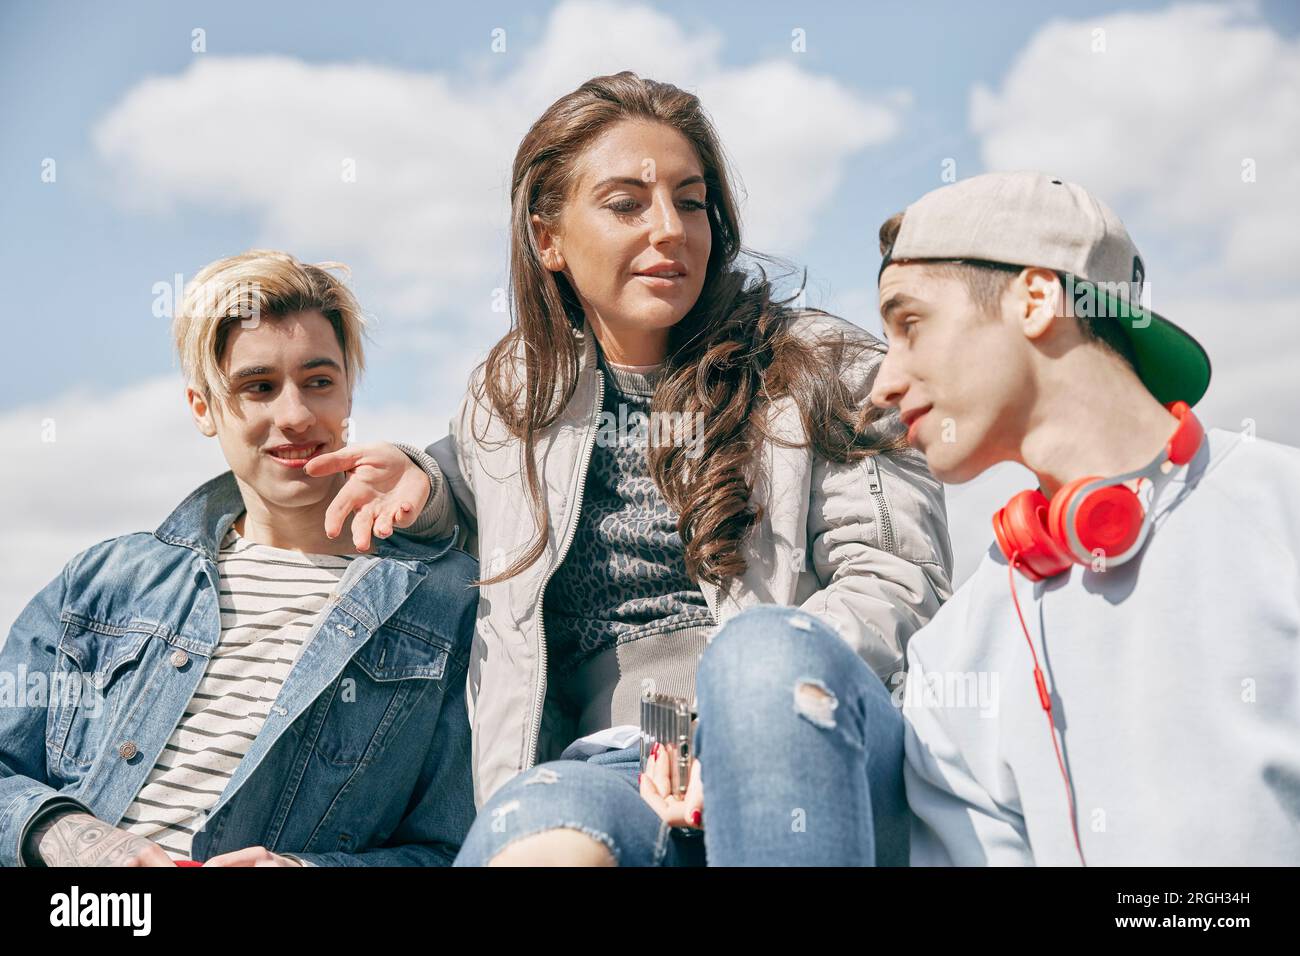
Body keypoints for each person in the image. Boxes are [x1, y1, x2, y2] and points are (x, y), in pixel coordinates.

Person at [310, 72, 954, 866]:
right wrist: (426, 483)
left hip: (801, 739)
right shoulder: (513, 394)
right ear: (547, 238)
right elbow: (472, 482)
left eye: (690, 201)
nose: (670, 229)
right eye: (625, 204)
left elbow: (900, 580)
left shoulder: (829, 366)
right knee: (537, 845)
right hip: (611, 761)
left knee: (764, 661)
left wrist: (731, 722)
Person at [869, 170, 1300, 865]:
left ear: (1037, 298)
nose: (883, 382)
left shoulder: (1285, 513)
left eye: (909, 323)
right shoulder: (950, 655)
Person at [0, 250, 477, 867]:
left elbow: (458, 849)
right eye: (258, 387)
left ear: (348, 391)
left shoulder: (448, 599)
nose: (296, 416)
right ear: (203, 408)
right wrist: (72, 840)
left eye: (319, 381)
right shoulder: (103, 581)